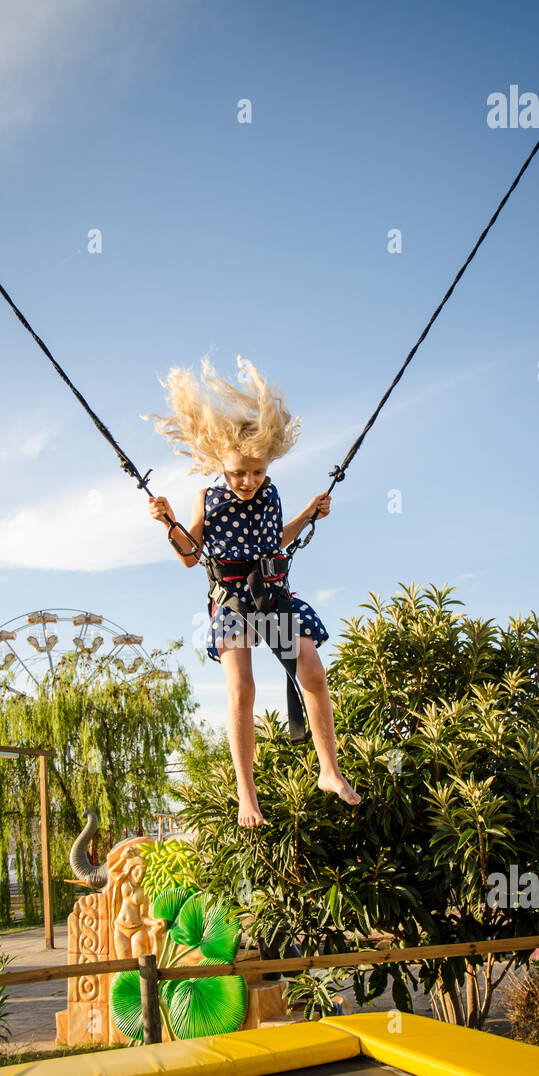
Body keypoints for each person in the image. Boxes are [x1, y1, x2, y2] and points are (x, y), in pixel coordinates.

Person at [145, 354, 360, 827]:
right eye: (240, 472)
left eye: (258, 472)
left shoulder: (271, 491)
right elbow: (188, 553)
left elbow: (274, 539)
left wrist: (307, 514)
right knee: (242, 687)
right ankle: (248, 796)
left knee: (314, 672)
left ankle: (329, 769)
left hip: (273, 597)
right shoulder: (210, 496)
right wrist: (168, 523)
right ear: (223, 464)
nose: (249, 481)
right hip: (234, 603)